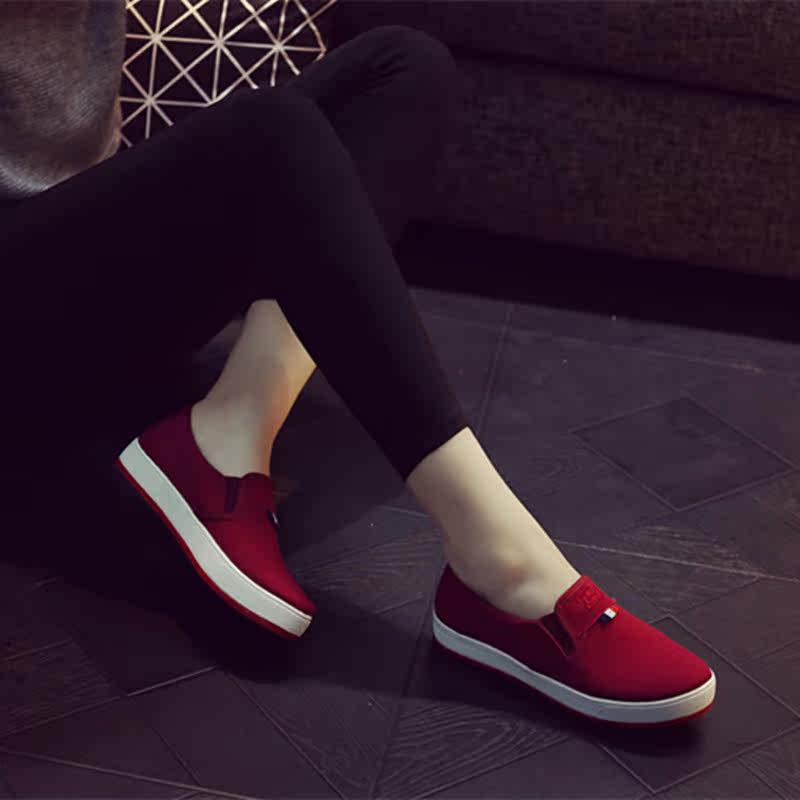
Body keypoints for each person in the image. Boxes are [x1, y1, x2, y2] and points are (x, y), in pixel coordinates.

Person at [0, 1, 716, 726]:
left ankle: (230, 430)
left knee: (403, 69)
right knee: (268, 134)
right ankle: (502, 565)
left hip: (81, 271)